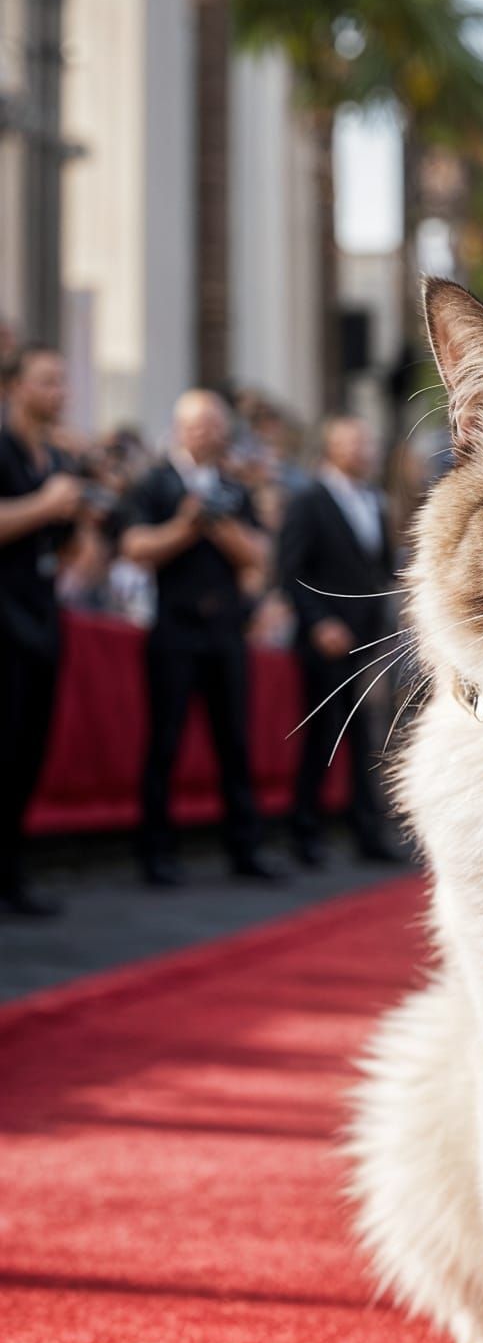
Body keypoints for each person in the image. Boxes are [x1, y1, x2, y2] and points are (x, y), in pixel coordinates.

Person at [118, 389, 278, 886]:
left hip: (226, 631)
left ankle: (244, 848)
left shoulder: (235, 487)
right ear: (178, 428)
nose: (206, 431)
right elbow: (134, 546)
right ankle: (156, 852)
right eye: (196, 423)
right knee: (164, 742)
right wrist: (187, 526)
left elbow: (259, 554)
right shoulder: (154, 482)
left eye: (214, 423)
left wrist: (222, 527)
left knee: (235, 742)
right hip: (174, 629)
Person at [277, 414, 399, 867]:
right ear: (330, 448)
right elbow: (289, 570)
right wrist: (319, 622)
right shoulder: (308, 500)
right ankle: (305, 834)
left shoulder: (376, 501)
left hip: (368, 640)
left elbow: (381, 570)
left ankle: (368, 835)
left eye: (366, 442)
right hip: (323, 641)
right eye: (351, 443)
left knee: (365, 737)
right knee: (322, 736)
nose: (361, 451)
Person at [0, 346, 83, 916]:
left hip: (40, 619)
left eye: (62, 381)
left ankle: (11, 877)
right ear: (15, 387)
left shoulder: (54, 459)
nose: (59, 392)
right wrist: (45, 504)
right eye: (46, 381)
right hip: (2, 621)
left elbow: (70, 552)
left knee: (27, 753)